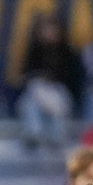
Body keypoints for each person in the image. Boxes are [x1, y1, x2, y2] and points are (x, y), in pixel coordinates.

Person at [17, 13, 86, 151]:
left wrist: (54, 80)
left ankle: (57, 137)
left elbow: (74, 78)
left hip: (60, 92)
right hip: (38, 93)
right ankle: (33, 133)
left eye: (52, 30)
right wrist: (41, 79)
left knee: (57, 105)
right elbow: (26, 75)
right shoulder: (34, 51)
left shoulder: (68, 51)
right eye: (45, 30)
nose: (49, 33)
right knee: (29, 102)